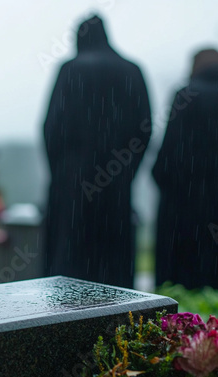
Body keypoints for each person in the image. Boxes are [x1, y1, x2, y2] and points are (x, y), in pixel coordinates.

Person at [43, 15, 152, 288]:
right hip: (116, 182)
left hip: (72, 182)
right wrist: (127, 170)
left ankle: (69, 312)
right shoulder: (131, 70)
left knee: (71, 266)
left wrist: (60, 174)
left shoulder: (71, 69)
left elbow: (52, 128)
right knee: (113, 266)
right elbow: (144, 130)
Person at [152, 49, 218, 290]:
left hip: (186, 200)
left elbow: (171, 148)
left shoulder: (187, 96)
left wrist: (162, 177)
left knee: (185, 275)